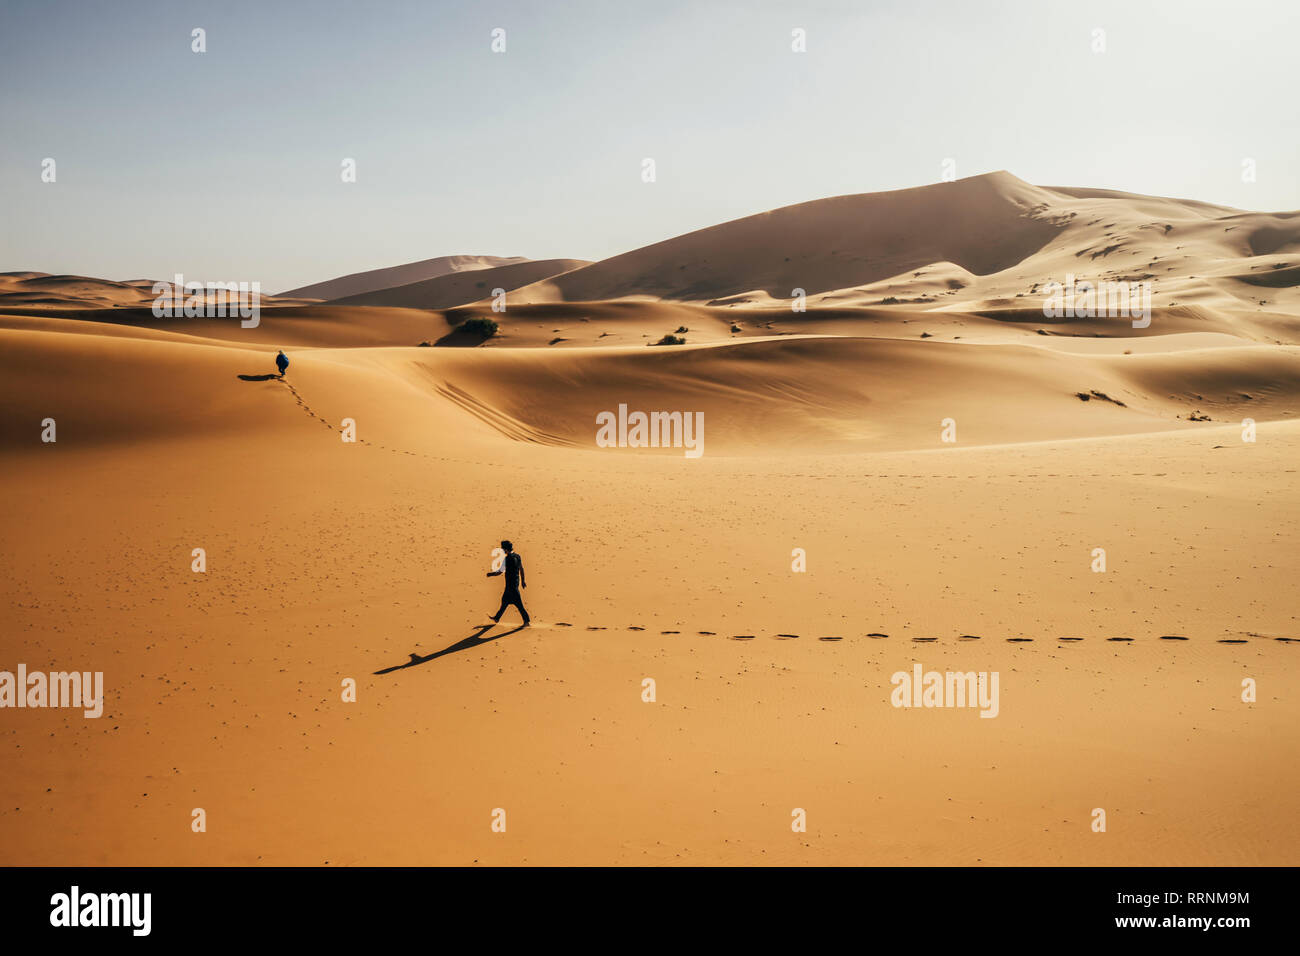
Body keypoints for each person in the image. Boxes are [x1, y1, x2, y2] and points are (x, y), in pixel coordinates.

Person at [486, 540, 530, 626]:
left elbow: (500, 572)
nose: (502, 550)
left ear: (506, 549)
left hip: (511, 585)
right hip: (515, 583)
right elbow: (521, 569)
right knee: (504, 601)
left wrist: (491, 574)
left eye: (502, 549)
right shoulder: (518, 556)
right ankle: (497, 618)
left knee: (519, 604)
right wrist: (523, 581)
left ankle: (527, 621)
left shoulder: (507, 558)